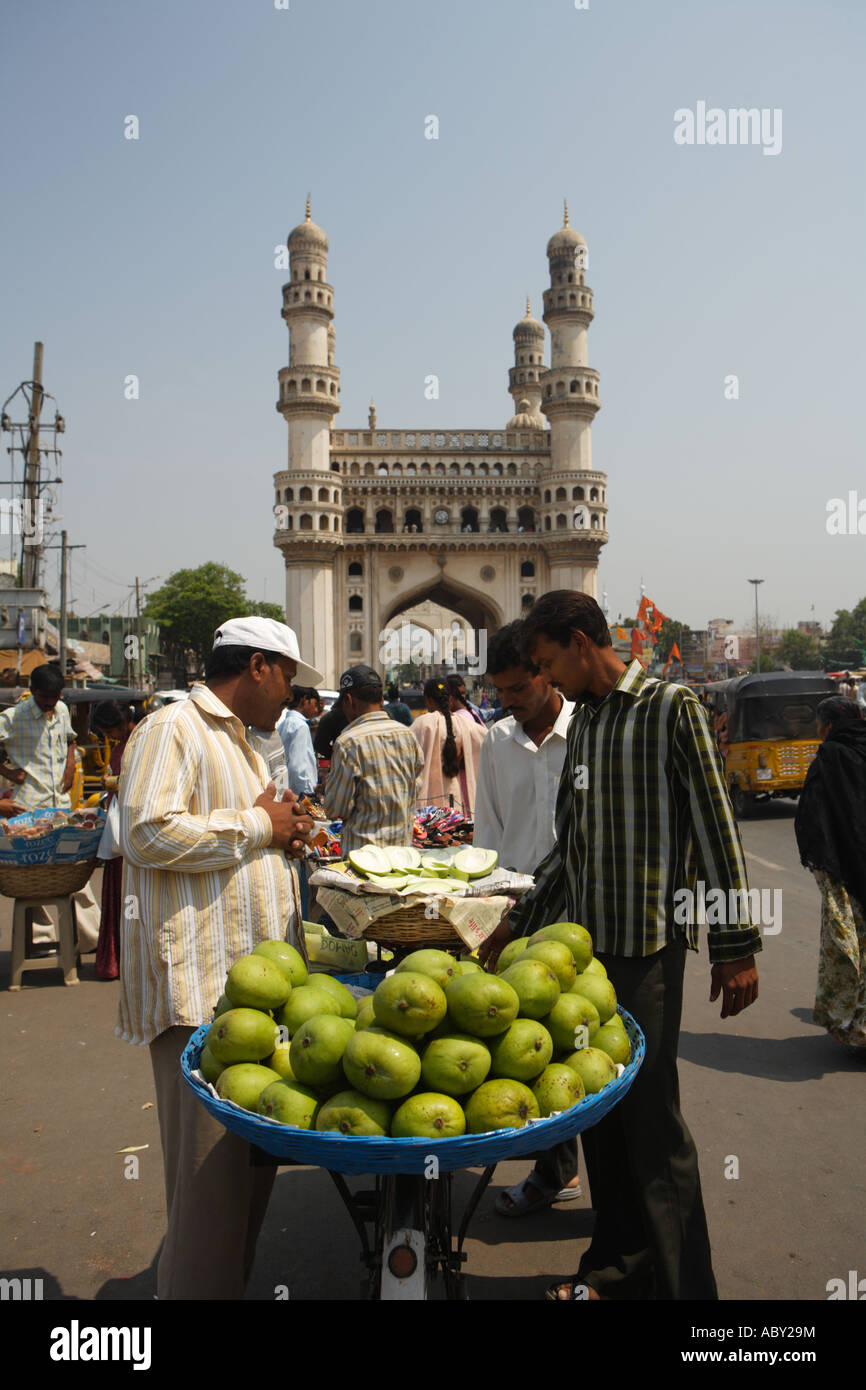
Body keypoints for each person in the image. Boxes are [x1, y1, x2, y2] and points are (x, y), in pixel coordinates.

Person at [480, 591, 760, 1302]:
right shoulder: (593, 726)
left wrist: (735, 946)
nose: (549, 680)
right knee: (600, 1118)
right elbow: (568, 849)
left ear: (580, 643)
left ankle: (689, 1294)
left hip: (647, 952)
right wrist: (517, 920)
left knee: (651, 1127)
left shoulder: (672, 710)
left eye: (547, 664)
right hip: (586, 958)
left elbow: (717, 832)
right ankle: (615, 1272)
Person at [117, 616, 318, 1300]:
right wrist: (262, 826)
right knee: (209, 1192)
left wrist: (282, 838)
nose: (293, 693)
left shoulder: (249, 750)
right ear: (258, 666)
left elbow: (234, 839)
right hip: (201, 997)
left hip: (252, 997)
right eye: (290, 676)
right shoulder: (173, 730)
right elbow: (146, 833)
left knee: (245, 1178)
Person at [472, 620, 580, 1214]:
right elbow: (488, 830)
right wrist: (491, 905)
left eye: (518, 687)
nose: (508, 701)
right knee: (533, 1043)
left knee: (583, 1037)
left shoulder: (586, 730)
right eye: (501, 692)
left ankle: (605, 1183)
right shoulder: (496, 740)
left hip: (581, 908)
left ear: (547, 671)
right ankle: (555, 1169)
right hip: (518, 911)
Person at [0, 663, 101, 952]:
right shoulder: (13, 717)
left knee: (75, 869)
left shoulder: (61, 711)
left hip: (60, 806)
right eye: (45, 697)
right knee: (34, 877)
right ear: (33, 693)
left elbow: (69, 738)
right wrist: (8, 772)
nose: (49, 703)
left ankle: (89, 938)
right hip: (28, 808)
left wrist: (70, 764)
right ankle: (42, 942)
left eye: (54, 697)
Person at [794, 696, 866, 1055]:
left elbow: (813, 818)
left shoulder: (830, 757)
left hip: (848, 872)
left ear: (827, 725)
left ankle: (858, 1026)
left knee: (855, 951)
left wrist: (823, 868)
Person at [323, 665, 424, 855]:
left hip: (363, 861)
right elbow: (415, 787)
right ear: (380, 699)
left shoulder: (348, 742)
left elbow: (335, 809)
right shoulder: (407, 735)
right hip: (402, 857)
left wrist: (330, 788)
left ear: (348, 700)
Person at [92, 700, 136, 981]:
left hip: (129, 833)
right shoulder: (124, 743)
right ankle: (116, 958)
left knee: (128, 897)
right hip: (118, 826)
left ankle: (126, 959)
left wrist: (115, 782)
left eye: (109, 732)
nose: (109, 738)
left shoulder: (137, 742)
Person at [412, 677, 486, 816]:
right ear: (450, 699)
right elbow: (486, 740)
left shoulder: (422, 724)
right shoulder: (464, 724)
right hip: (455, 796)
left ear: (428, 699)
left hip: (427, 799)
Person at [274, 696, 318, 798]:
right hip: (300, 794)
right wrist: (308, 793)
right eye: (314, 704)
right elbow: (297, 767)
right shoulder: (301, 726)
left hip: (285, 791)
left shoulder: (284, 723)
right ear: (304, 700)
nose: (316, 710)